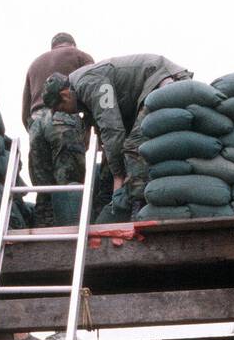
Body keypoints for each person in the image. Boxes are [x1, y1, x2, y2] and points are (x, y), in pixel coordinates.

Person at [41, 53, 192, 219]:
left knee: (134, 148)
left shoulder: (89, 82)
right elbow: (106, 141)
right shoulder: (81, 95)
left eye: (62, 109)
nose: (67, 113)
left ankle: (137, 206)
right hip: (149, 91)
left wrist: (119, 177)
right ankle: (116, 207)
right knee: (111, 162)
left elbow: (112, 129)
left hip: (163, 81)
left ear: (64, 95)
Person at [23, 33, 94, 229]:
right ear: (72, 44)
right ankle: (71, 232)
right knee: (69, 182)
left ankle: (43, 232)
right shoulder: (80, 56)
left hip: (36, 122)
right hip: (64, 117)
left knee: (43, 187)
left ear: (52, 46)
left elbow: (25, 109)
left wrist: (33, 129)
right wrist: (86, 131)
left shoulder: (35, 64)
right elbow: (92, 93)